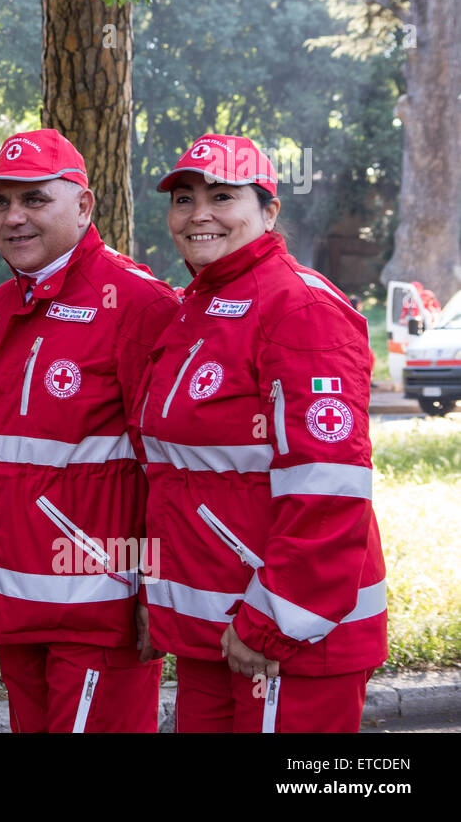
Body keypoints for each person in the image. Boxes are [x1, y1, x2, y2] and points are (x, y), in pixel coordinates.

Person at [0, 129, 180, 732]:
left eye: (35, 200)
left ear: (84, 205)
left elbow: (167, 469)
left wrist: (155, 592)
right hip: (17, 602)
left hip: (97, 608)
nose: (13, 218)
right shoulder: (2, 306)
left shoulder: (138, 305)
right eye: (0, 202)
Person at [134, 133, 388, 732]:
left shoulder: (300, 309)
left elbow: (328, 489)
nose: (198, 214)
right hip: (212, 631)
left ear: (268, 211)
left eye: (222, 196)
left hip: (287, 642)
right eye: (184, 198)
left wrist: (272, 621)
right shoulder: (196, 308)